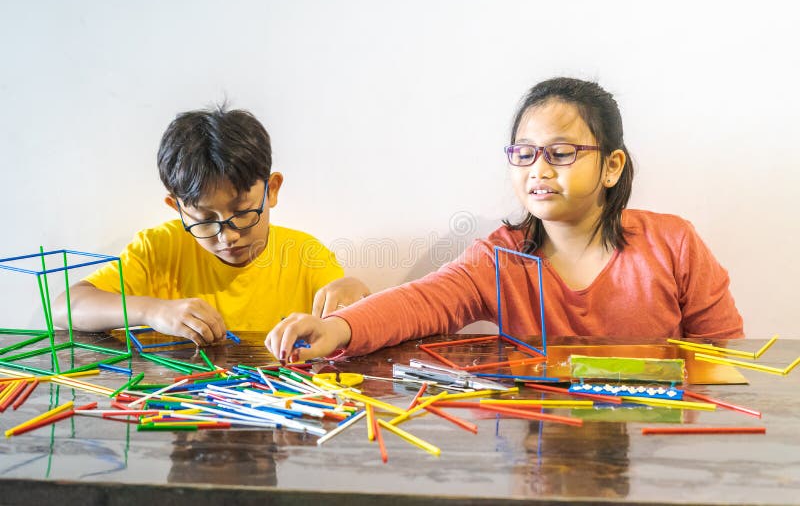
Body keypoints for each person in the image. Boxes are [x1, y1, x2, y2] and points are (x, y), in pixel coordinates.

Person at [266, 77, 743, 362]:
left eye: (560, 153)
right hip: (537, 432)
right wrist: (338, 329)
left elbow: (723, 354)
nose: (538, 168)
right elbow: (420, 301)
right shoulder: (501, 256)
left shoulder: (673, 243)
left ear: (612, 166)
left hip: (649, 441)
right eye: (524, 153)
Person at [52, 105, 369, 345]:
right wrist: (153, 311)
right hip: (183, 412)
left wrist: (355, 291)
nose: (227, 236)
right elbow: (65, 308)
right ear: (176, 208)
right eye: (204, 221)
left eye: (243, 213)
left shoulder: (304, 255)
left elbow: (352, 316)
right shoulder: (159, 249)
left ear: (271, 190)